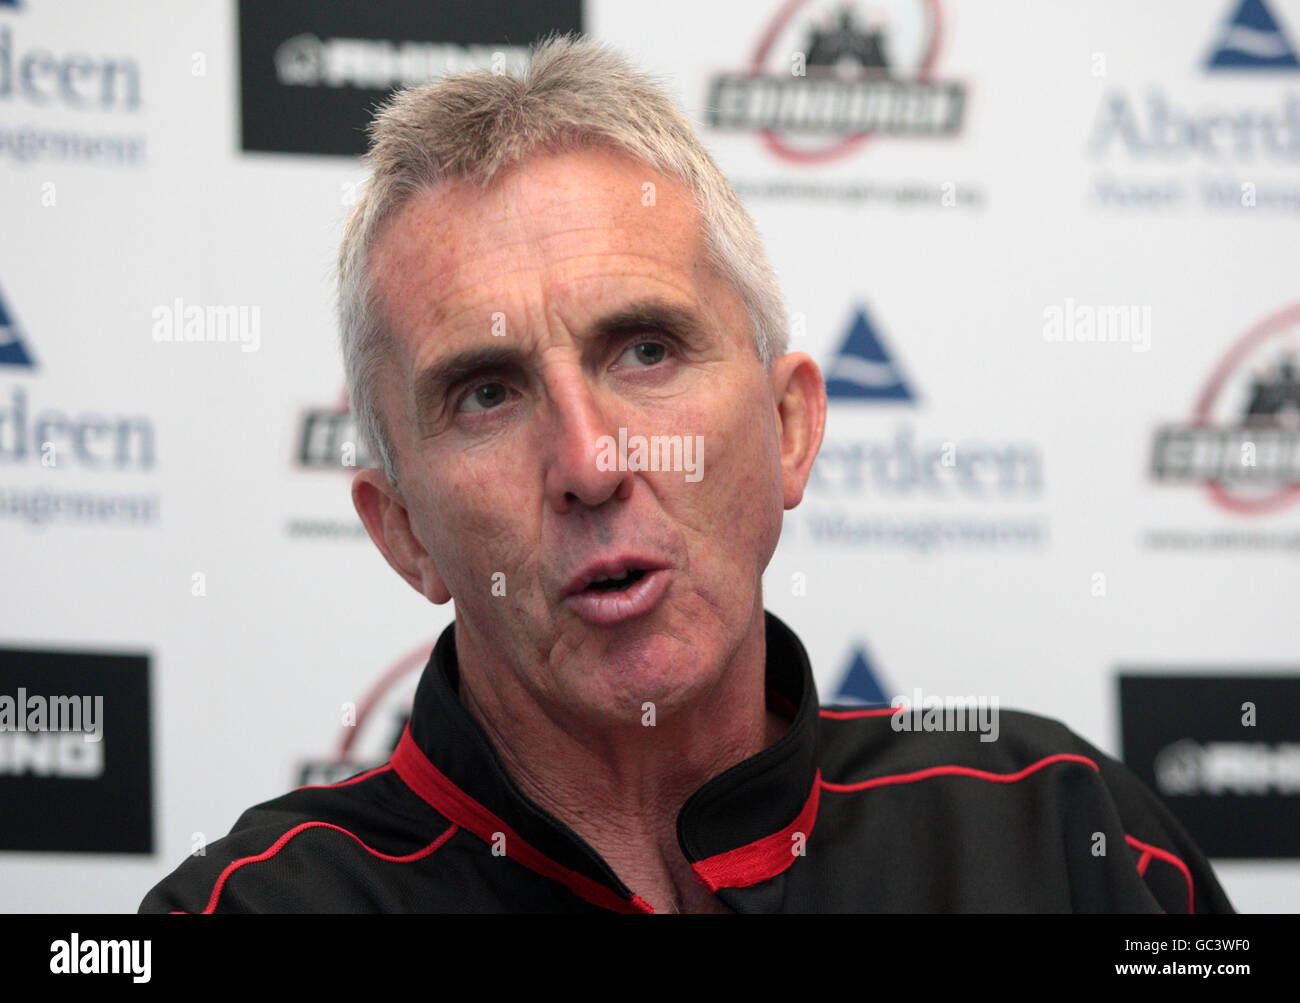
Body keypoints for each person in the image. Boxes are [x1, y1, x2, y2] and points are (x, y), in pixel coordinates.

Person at [139, 35, 1233, 914]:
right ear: (403, 531)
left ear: (789, 423)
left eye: (646, 351)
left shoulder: (1063, 837)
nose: (591, 461)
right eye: (486, 392)